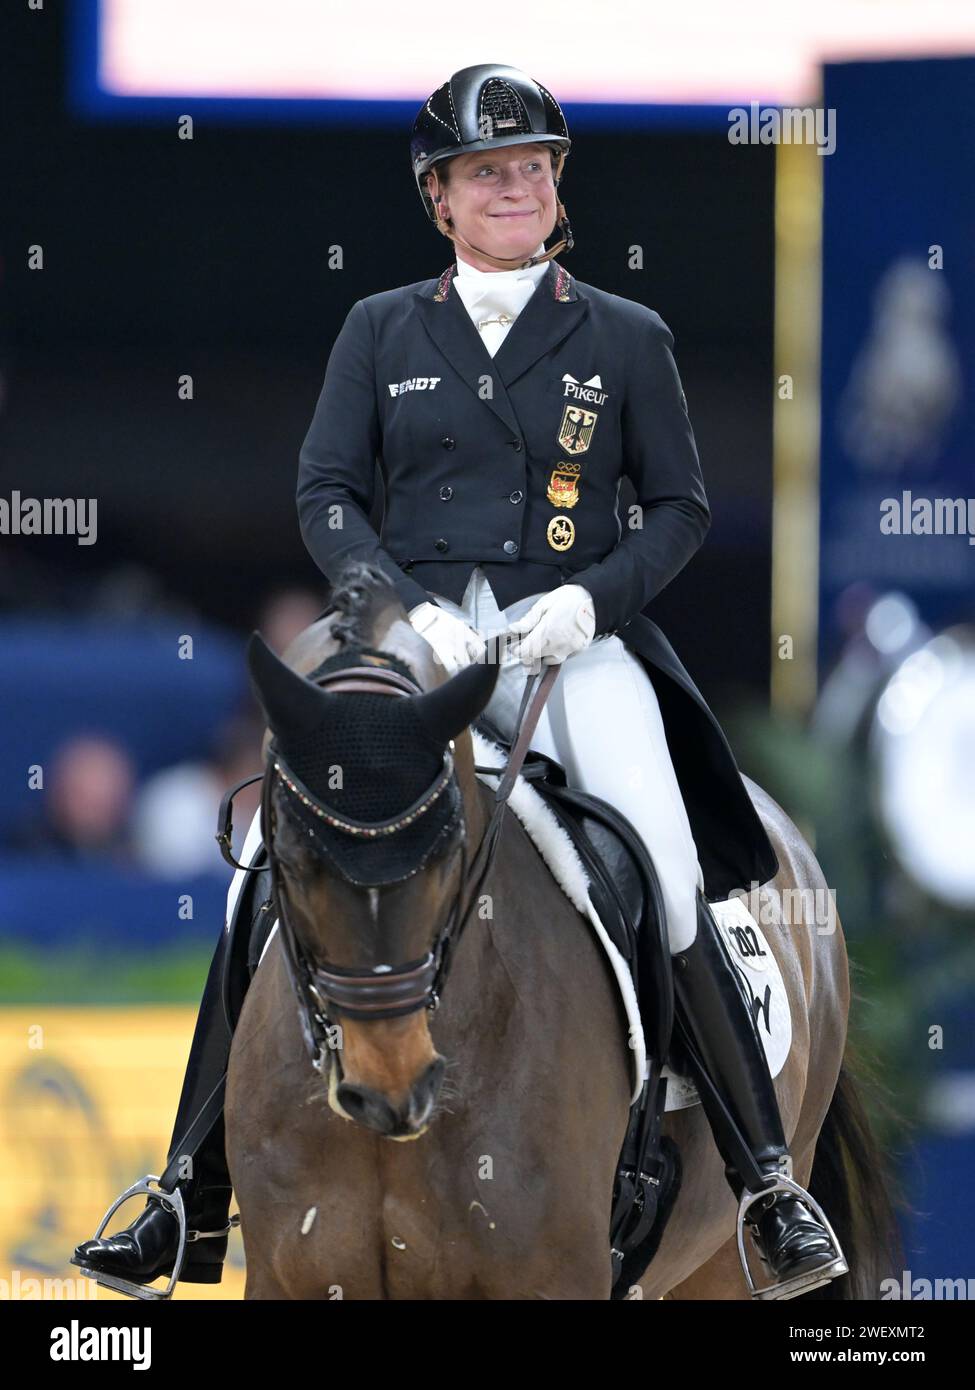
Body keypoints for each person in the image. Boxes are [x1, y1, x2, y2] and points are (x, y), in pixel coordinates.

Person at [73, 63, 845, 1300]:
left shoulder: (624, 337)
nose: (518, 188)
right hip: (412, 638)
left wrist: (589, 599)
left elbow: (684, 508)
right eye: (491, 172)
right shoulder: (379, 330)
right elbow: (325, 493)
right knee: (273, 862)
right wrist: (396, 599)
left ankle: (764, 1178)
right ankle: (184, 1189)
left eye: (535, 168)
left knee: (663, 852)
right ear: (440, 196)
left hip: (574, 643)